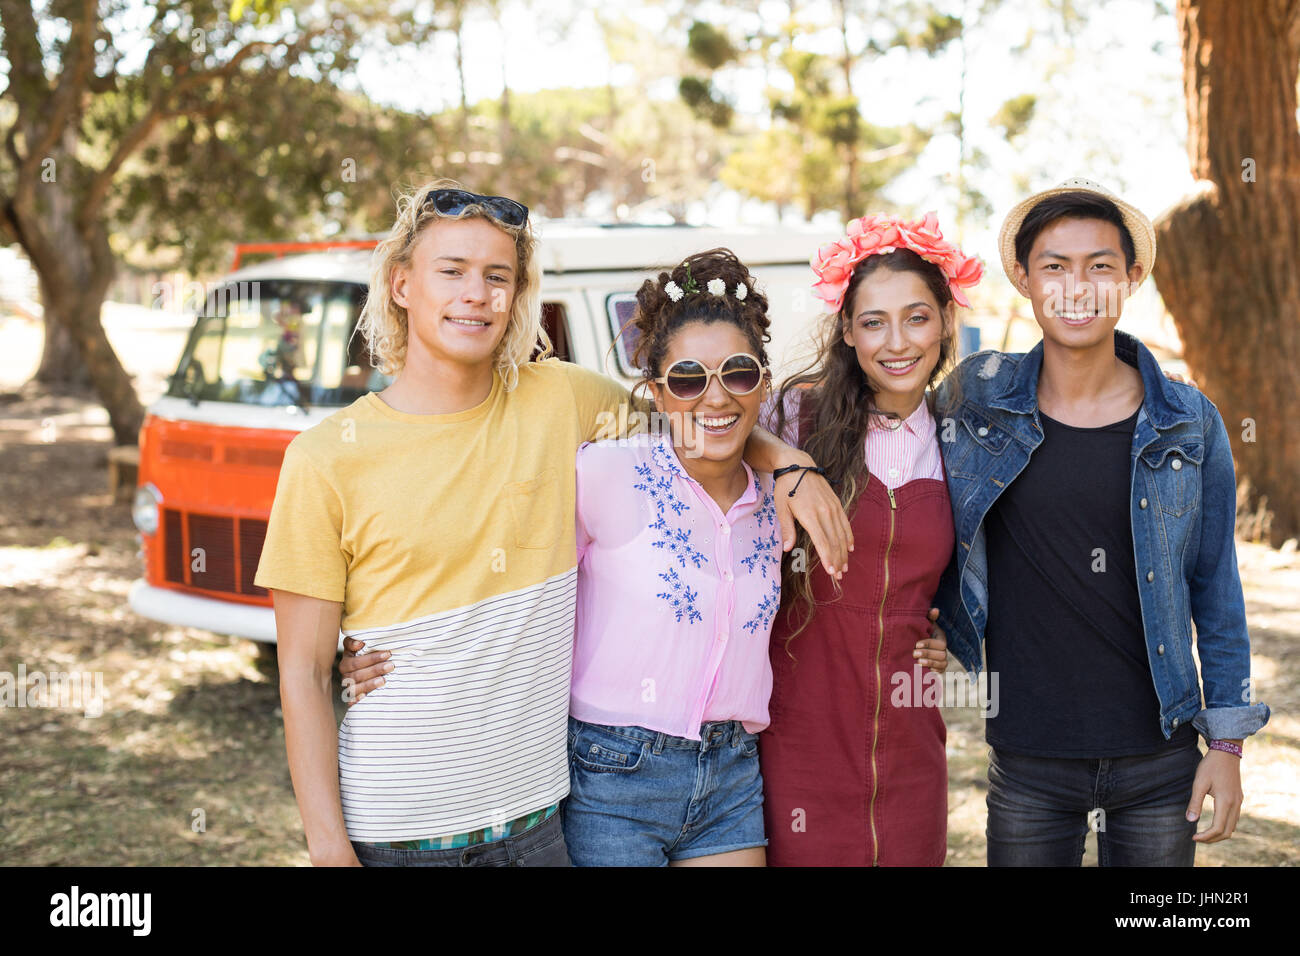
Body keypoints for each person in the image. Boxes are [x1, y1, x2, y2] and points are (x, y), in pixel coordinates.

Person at [264, 180, 851, 866]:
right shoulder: (324, 459)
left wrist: (786, 460)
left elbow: (701, 420)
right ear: (401, 285)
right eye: (451, 271)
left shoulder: (566, 399)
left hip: (539, 827)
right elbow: (302, 676)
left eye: (497, 277)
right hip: (398, 833)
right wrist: (331, 853)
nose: (475, 294)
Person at [931, 177, 1271, 866]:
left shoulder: (1188, 420)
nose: (1076, 287)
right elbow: (869, 431)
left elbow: (1217, 588)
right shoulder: (975, 401)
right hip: (1027, 755)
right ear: (1024, 278)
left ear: (1132, 277)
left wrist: (1228, 745)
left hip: (1161, 760)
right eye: (1054, 266)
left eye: (1100, 266)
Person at [758, 213, 979, 866]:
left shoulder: (963, 441)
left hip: (912, 737)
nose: (897, 342)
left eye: (917, 317)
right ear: (848, 332)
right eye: (873, 321)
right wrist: (783, 460)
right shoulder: (792, 417)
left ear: (945, 320)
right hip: (798, 724)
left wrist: (949, 634)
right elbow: (694, 425)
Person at [562, 249, 783, 866]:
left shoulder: (780, 492)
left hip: (733, 774)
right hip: (613, 775)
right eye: (688, 379)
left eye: (738, 373)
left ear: (762, 380)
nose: (715, 398)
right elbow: (509, 570)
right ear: (657, 393)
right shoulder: (603, 472)